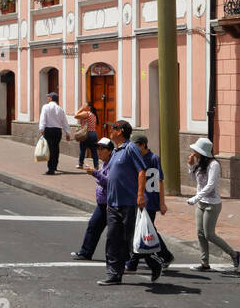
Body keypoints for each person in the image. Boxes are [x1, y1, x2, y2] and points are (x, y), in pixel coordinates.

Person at [98, 119, 161, 285]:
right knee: (112, 239)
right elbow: (113, 177)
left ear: (120, 132)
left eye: (113, 129)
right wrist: (109, 201)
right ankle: (113, 275)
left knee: (132, 239)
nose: (110, 131)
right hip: (113, 205)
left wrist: (140, 195)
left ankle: (154, 262)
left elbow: (142, 171)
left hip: (129, 203)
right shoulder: (116, 152)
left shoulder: (131, 148)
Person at [186, 137, 240, 271]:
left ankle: (233, 254)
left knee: (209, 234)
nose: (194, 152)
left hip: (212, 204)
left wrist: (195, 198)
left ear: (202, 152)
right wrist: (191, 165)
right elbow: (195, 181)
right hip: (202, 203)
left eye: (196, 150)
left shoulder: (214, 165)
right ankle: (205, 263)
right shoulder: (200, 164)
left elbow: (210, 185)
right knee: (200, 233)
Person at [124, 134, 173, 272]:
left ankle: (133, 263)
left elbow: (160, 181)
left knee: (142, 229)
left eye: (136, 145)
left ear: (143, 144)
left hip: (149, 200)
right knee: (146, 229)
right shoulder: (135, 157)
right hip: (138, 199)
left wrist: (162, 203)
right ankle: (165, 255)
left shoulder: (153, 159)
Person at [71, 137, 114, 261]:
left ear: (110, 150)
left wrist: (95, 173)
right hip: (103, 203)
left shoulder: (113, 164)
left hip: (110, 204)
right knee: (93, 226)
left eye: (102, 148)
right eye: (98, 148)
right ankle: (85, 252)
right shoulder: (105, 163)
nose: (99, 151)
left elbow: (110, 182)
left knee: (118, 235)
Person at [37, 91, 72, 175]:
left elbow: (43, 119)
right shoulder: (60, 109)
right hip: (57, 131)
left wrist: (41, 129)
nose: (47, 98)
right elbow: (64, 122)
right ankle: (55, 165)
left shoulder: (45, 107)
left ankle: (51, 169)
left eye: (48, 97)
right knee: (56, 148)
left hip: (49, 130)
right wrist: (67, 133)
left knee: (49, 149)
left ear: (51, 98)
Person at [73, 101, 99, 170]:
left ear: (89, 107)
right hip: (93, 133)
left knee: (82, 149)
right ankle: (96, 166)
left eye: (85, 105)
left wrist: (81, 109)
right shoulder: (93, 115)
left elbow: (75, 116)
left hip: (87, 134)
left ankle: (80, 164)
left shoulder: (87, 113)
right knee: (94, 151)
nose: (84, 106)